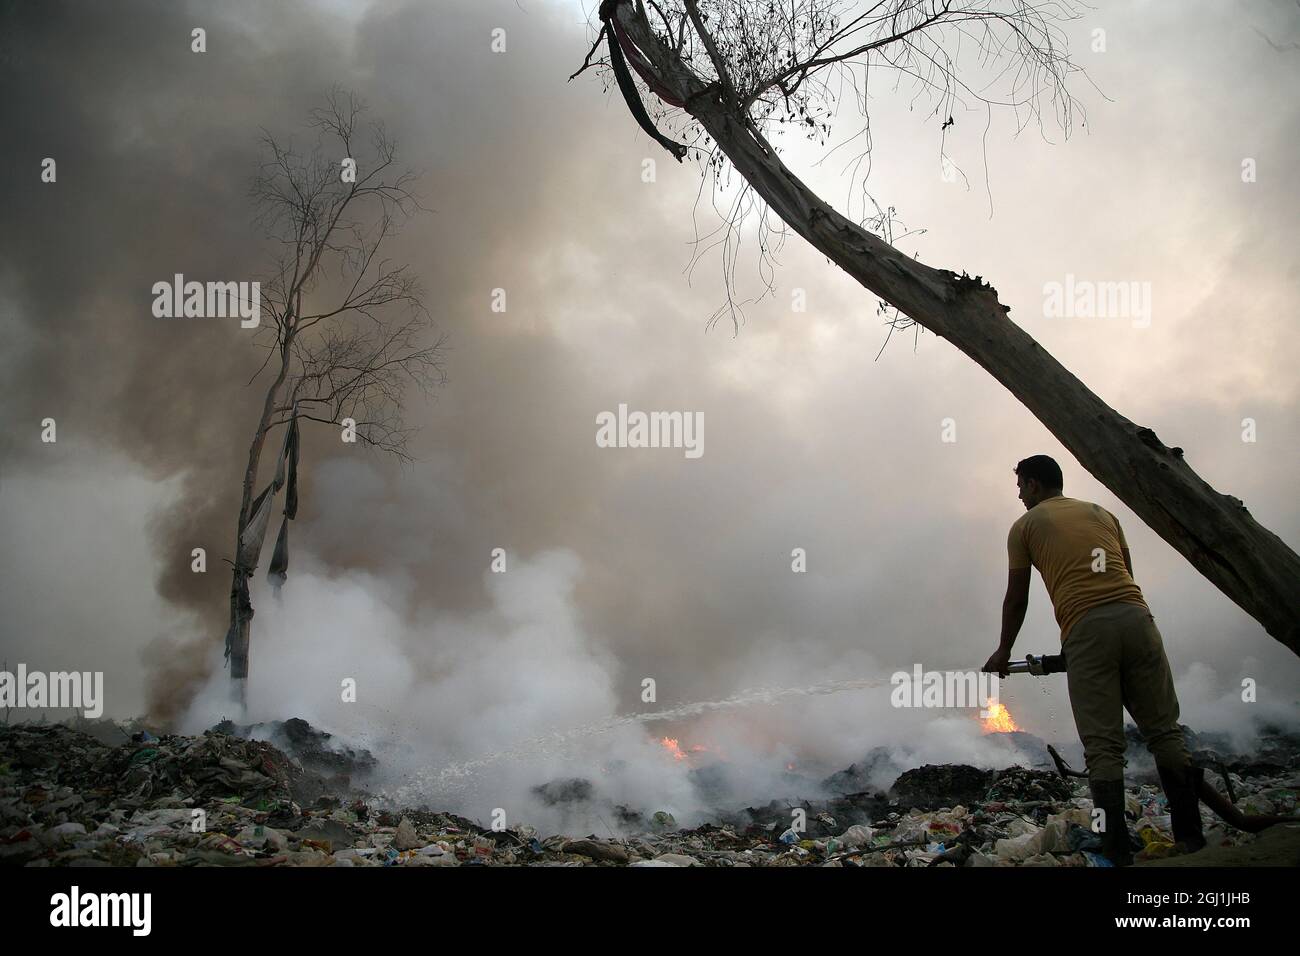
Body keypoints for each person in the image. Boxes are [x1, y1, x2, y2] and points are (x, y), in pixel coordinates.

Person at [982, 455, 1205, 865]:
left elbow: (1018, 597)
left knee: (1103, 748)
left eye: (1020, 486)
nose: (1018, 495)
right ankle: (1192, 839)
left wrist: (1003, 651)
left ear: (1033, 485)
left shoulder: (1025, 527)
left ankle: (1115, 851)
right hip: (1138, 619)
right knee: (1165, 733)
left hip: (1086, 626)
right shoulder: (1102, 512)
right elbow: (1126, 573)